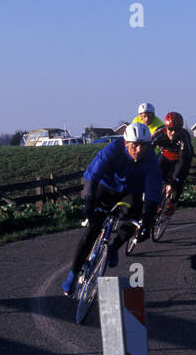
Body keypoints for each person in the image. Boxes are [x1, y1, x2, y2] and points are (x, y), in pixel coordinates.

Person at [61, 123, 164, 294]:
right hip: (107, 188)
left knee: (133, 220)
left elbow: (153, 193)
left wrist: (147, 223)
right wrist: (89, 203)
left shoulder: (151, 160)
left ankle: (114, 248)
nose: (139, 150)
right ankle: (73, 273)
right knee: (93, 228)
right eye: (134, 145)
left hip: (132, 191)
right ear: (126, 143)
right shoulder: (112, 150)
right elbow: (92, 176)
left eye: (143, 146)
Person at [152, 111, 194, 205]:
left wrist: (174, 179)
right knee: (153, 173)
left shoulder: (184, 136)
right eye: (170, 129)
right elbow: (148, 150)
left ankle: (173, 203)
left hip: (181, 159)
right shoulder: (159, 133)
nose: (173, 132)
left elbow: (183, 160)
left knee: (177, 181)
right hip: (165, 155)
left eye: (176, 129)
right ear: (165, 128)